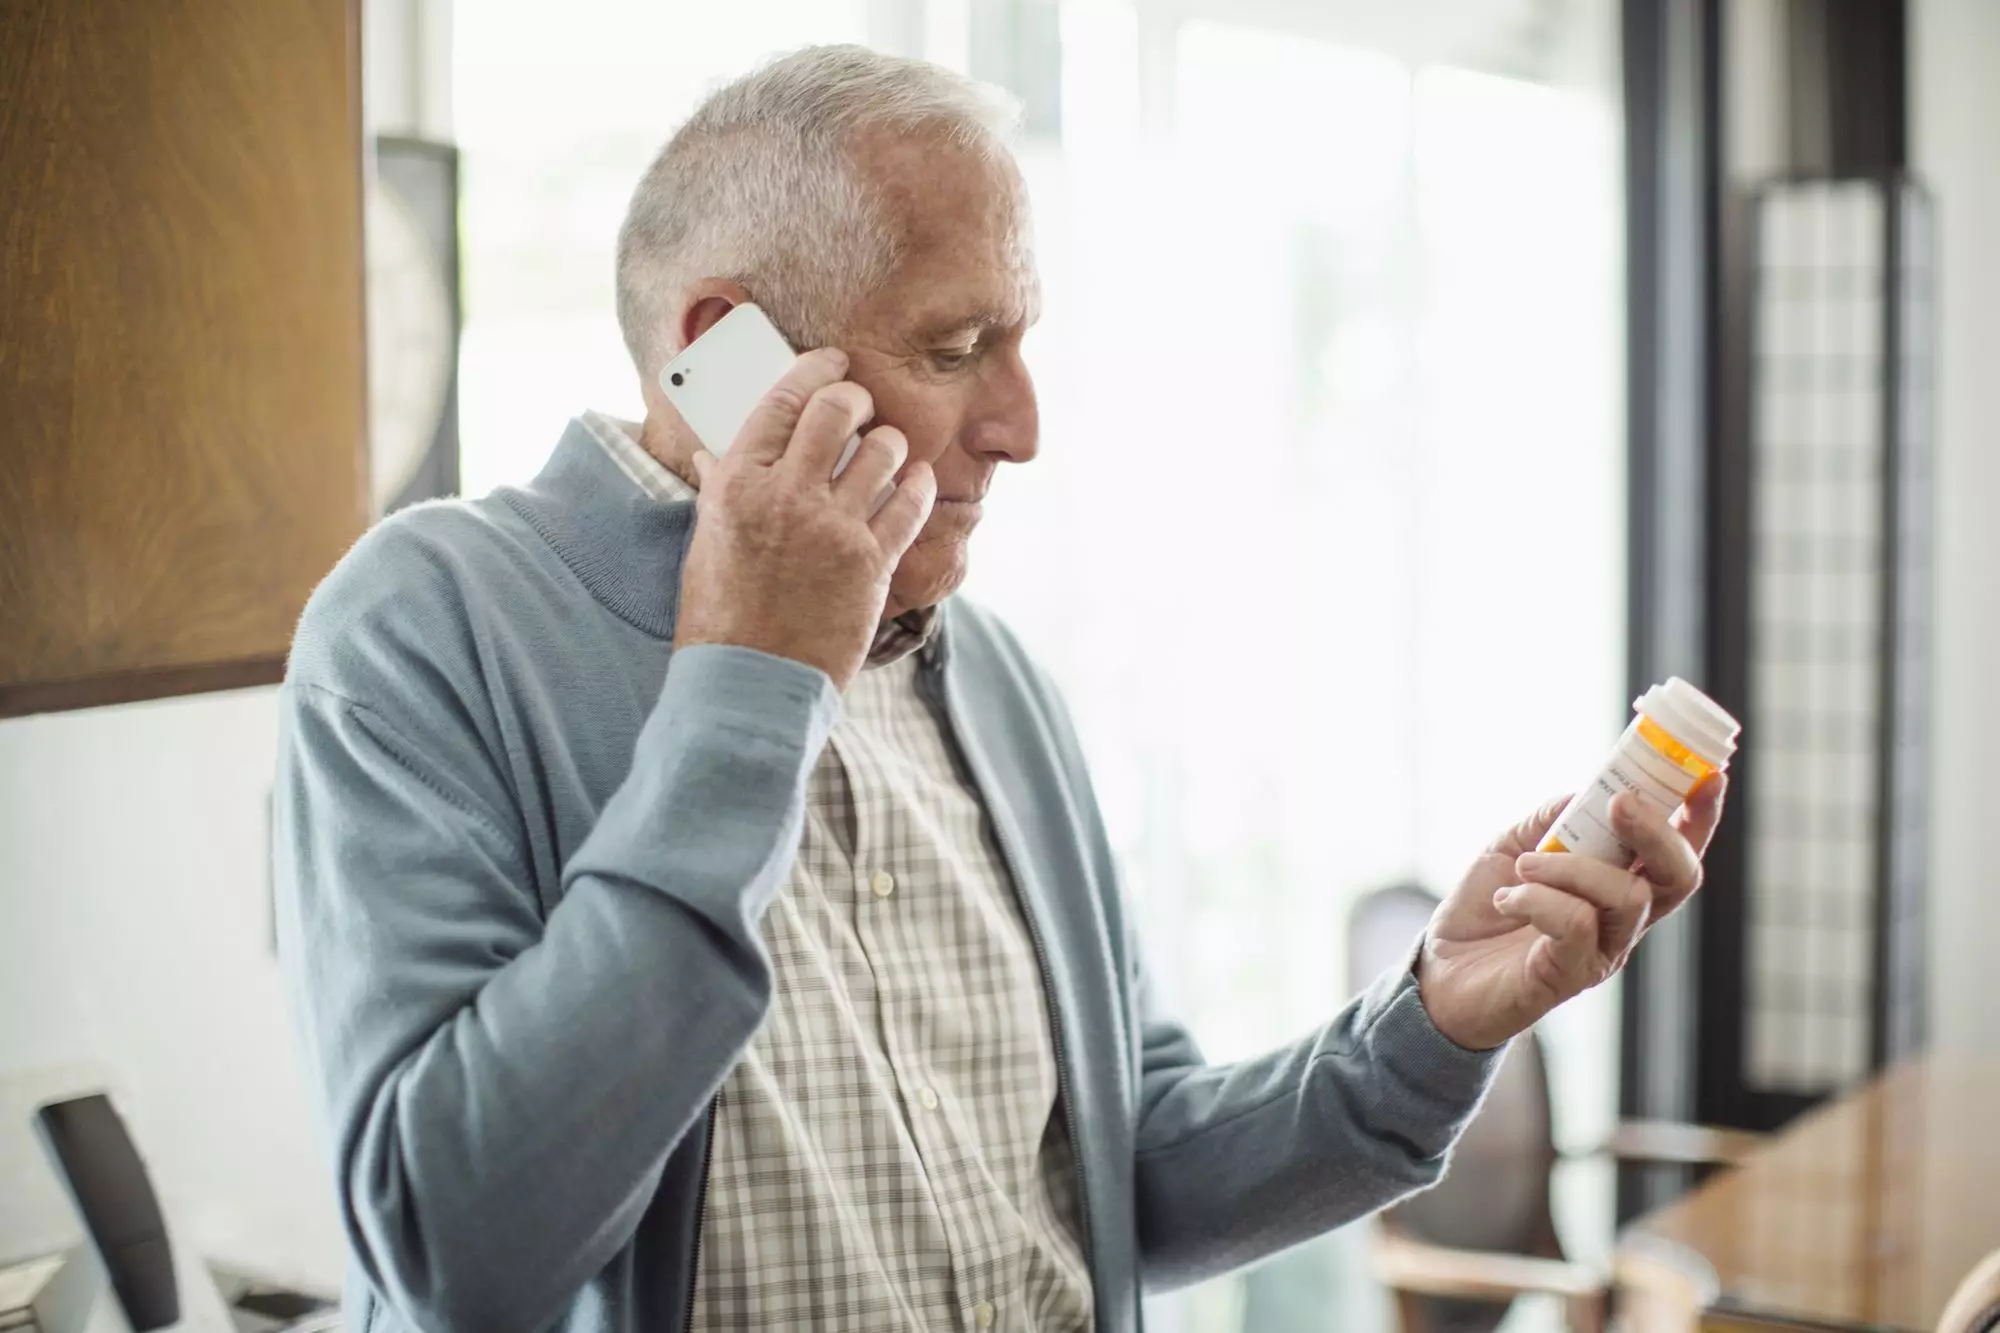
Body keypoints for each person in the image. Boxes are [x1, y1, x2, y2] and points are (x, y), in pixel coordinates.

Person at [275, 44, 1726, 1333]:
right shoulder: (424, 630)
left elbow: (1127, 1171)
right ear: (720, 353)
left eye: (1021, 342)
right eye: (957, 349)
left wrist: (1429, 1029)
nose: (1021, 426)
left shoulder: (992, 679)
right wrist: (751, 680)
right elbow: (452, 1254)